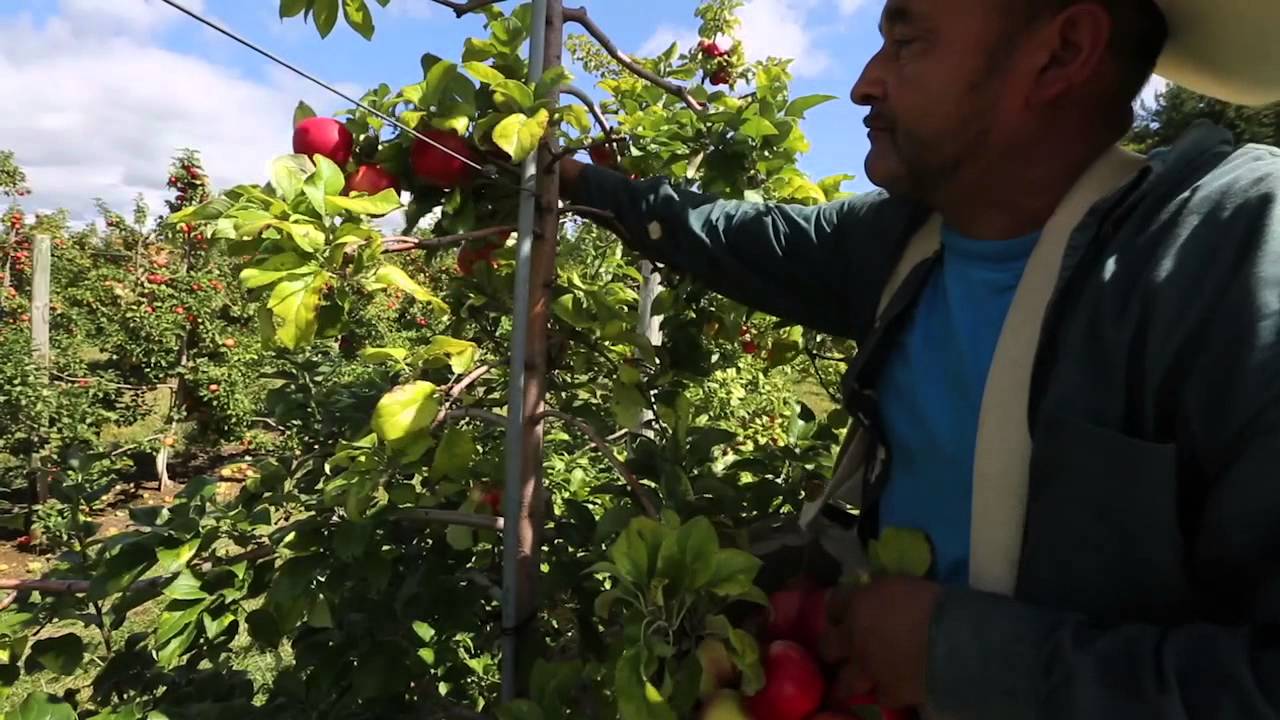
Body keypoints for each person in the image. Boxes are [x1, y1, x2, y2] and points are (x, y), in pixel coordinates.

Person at [559, 0, 1280, 717]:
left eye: (906, 43)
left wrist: (956, 657)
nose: (863, 84)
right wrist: (578, 184)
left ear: (1061, 54)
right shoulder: (900, 244)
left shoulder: (1230, 259)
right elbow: (733, 234)